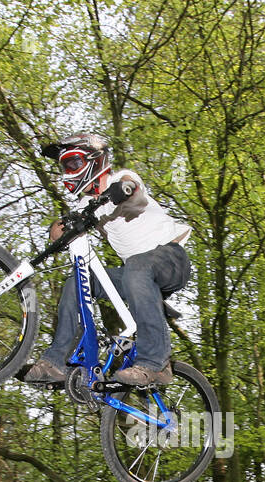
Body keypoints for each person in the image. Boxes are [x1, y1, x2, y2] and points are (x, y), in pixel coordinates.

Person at [23, 132, 191, 387]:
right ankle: (56, 362)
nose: (68, 172)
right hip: (136, 277)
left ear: (94, 160)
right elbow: (56, 234)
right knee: (79, 281)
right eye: (65, 167)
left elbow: (131, 187)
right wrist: (62, 226)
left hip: (171, 259)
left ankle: (156, 363)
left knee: (136, 266)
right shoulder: (87, 204)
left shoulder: (119, 179)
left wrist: (120, 190)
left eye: (73, 164)